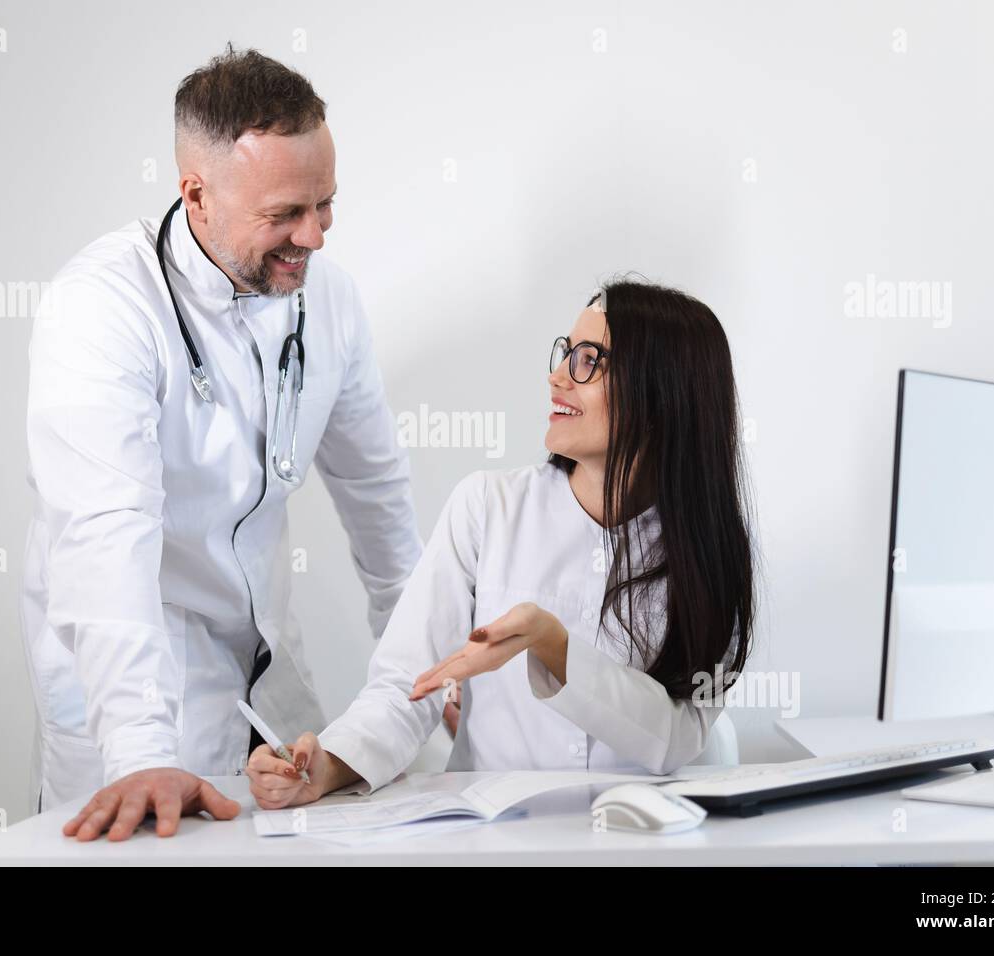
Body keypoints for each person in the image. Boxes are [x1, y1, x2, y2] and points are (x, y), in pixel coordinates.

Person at [23, 45, 424, 842]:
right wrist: (139, 749)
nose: (312, 236)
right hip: (141, 690)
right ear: (196, 193)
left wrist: (423, 667)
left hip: (268, 677)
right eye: (284, 215)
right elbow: (106, 539)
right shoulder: (102, 309)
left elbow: (380, 504)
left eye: (326, 204)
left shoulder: (328, 302)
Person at [246, 278, 758, 808]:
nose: (558, 377)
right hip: (493, 839)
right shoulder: (488, 506)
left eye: (590, 360)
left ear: (662, 394)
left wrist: (553, 645)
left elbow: (678, 736)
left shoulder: (707, 551)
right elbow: (408, 683)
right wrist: (327, 765)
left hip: (640, 837)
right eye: (565, 354)